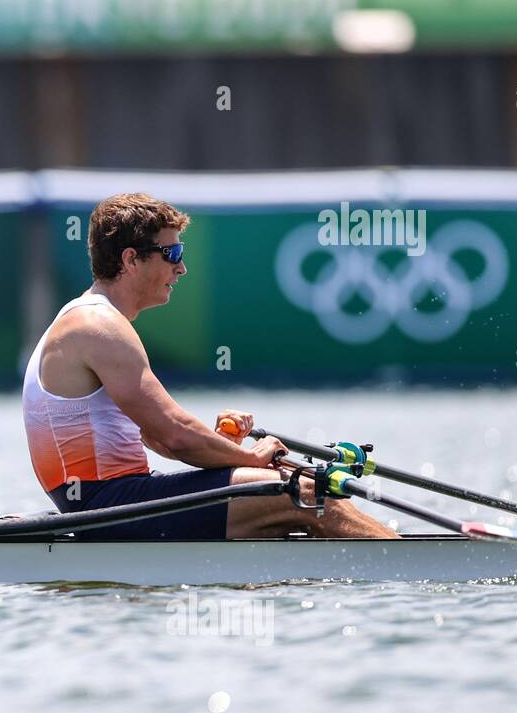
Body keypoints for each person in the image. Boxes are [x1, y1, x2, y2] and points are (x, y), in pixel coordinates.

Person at [22, 192, 398, 540]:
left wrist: (223, 447)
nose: (181, 268)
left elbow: (154, 436)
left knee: (286, 492)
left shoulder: (95, 322)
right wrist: (250, 457)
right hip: (107, 508)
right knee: (307, 491)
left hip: (113, 500)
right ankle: (408, 575)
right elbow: (175, 436)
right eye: (171, 253)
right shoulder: (98, 326)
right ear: (131, 259)